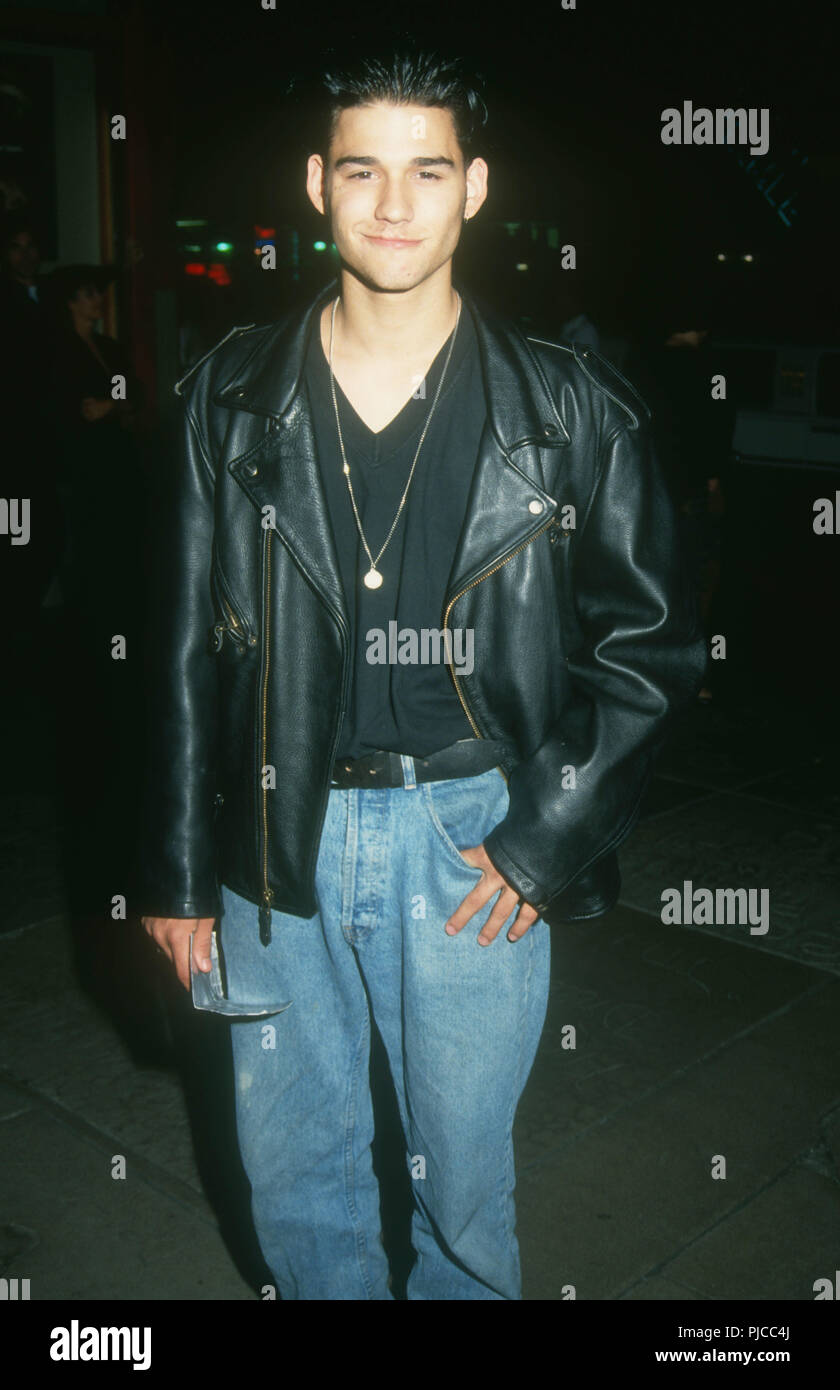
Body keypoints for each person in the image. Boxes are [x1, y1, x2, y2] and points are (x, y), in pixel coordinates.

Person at [136, 47, 707, 1301]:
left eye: (427, 170)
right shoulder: (225, 398)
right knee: (296, 1173)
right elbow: (176, 648)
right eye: (362, 170)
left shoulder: (573, 410)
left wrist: (547, 836)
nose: (394, 204)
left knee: (462, 1192)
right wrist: (176, 870)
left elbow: (652, 648)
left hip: (471, 842)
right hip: (270, 847)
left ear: (476, 188)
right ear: (315, 185)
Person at [625, 307, 736, 701]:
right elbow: (717, 426)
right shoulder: (709, 368)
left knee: (647, 582)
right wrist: (713, 479)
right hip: (688, 490)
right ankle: (694, 678)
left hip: (643, 489)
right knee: (696, 582)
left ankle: (644, 673)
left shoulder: (637, 364)